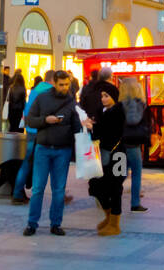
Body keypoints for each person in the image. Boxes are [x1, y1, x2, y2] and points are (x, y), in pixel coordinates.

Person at [23, 70, 90, 235]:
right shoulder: (42, 98)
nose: (64, 88)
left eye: (67, 84)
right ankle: (32, 223)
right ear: (54, 82)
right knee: (38, 188)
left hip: (63, 150)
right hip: (44, 148)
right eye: (61, 85)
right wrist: (45, 120)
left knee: (59, 189)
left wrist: (84, 126)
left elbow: (76, 125)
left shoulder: (71, 101)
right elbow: (29, 120)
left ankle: (56, 223)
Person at [13, 71, 55, 204]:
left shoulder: (35, 90)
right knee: (46, 163)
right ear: (53, 80)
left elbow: (27, 109)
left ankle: (17, 192)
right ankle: (54, 193)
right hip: (42, 130)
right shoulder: (50, 92)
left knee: (27, 161)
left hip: (30, 129)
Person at [90, 87, 127, 236]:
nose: (103, 99)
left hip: (119, 155)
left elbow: (109, 133)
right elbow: (101, 133)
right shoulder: (103, 112)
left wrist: (93, 127)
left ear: (114, 97)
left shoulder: (119, 112)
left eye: (106, 96)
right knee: (96, 185)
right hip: (105, 153)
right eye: (102, 96)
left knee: (115, 188)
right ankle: (109, 216)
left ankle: (114, 223)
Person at [118, 76, 151, 211]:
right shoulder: (141, 104)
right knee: (136, 172)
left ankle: (111, 196)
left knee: (120, 173)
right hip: (134, 143)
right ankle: (135, 203)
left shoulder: (118, 105)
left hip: (120, 144)